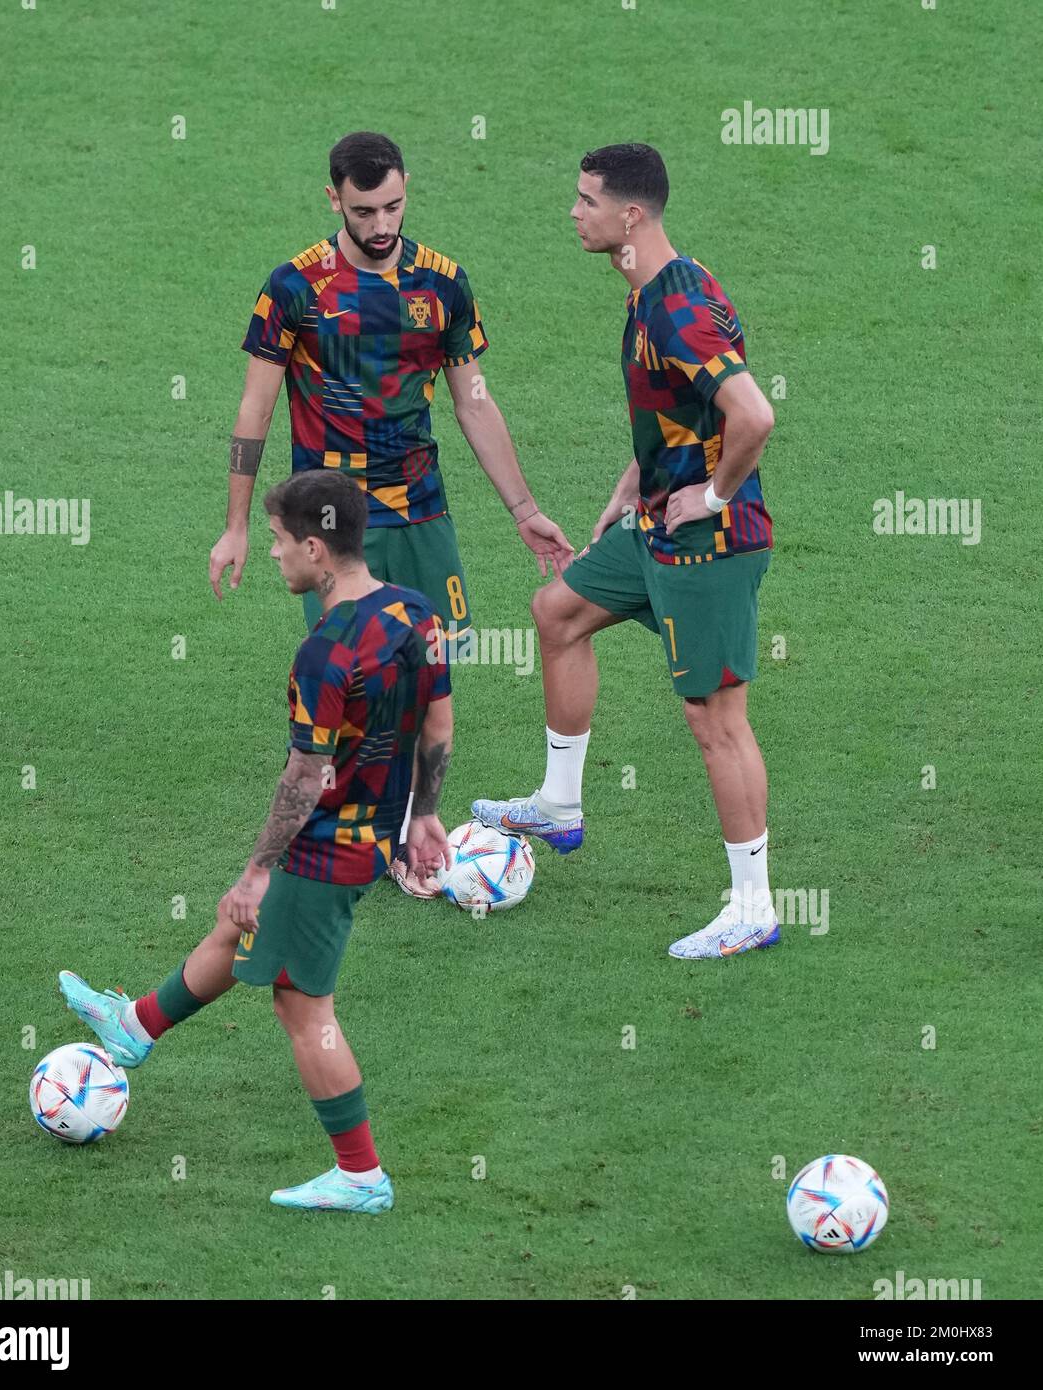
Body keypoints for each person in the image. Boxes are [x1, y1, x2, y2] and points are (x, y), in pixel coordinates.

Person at [62, 472, 454, 1212]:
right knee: (236, 932)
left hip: (327, 845)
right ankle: (136, 1027)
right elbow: (437, 725)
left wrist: (255, 870)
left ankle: (361, 1176)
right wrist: (423, 814)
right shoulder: (415, 612)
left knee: (301, 1007)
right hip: (372, 834)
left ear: (315, 546)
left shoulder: (324, 652)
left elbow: (305, 778)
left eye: (277, 541)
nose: (271, 554)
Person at [208, 130, 573, 898]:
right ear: (333, 198)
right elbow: (254, 406)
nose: (381, 225)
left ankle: (410, 821)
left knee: (427, 667)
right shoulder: (294, 287)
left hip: (420, 508)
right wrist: (239, 524)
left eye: (394, 206)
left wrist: (524, 508)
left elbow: (473, 401)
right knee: (347, 679)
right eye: (364, 209)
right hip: (332, 523)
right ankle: (343, 827)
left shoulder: (442, 284)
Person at [472, 144, 779, 961]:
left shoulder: (676, 308)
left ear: (630, 216)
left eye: (585, 201)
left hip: (707, 546)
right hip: (653, 526)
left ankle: (751, 905)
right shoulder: (655, 287)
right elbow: (680, 413)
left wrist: (710, 495)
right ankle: (558, 803)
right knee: (557, 611)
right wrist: (630, 483)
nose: (573, 212)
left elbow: (752, 416)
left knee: (714, 721)